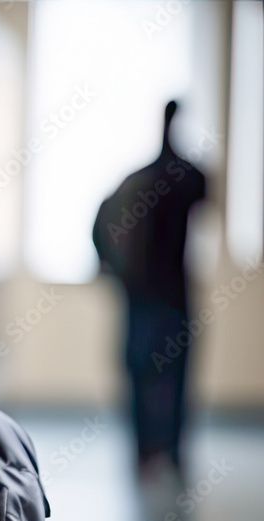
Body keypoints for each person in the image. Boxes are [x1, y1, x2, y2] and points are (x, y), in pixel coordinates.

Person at [93, 100, 207, 492]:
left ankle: (149, 455)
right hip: (166, 297)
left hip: (142, 297)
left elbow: (100, 226)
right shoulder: (181, 177)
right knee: (168, 377)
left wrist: (112, 273)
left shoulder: (139, 180)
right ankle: (166, 455)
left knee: (144, 377)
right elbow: (206, 189)